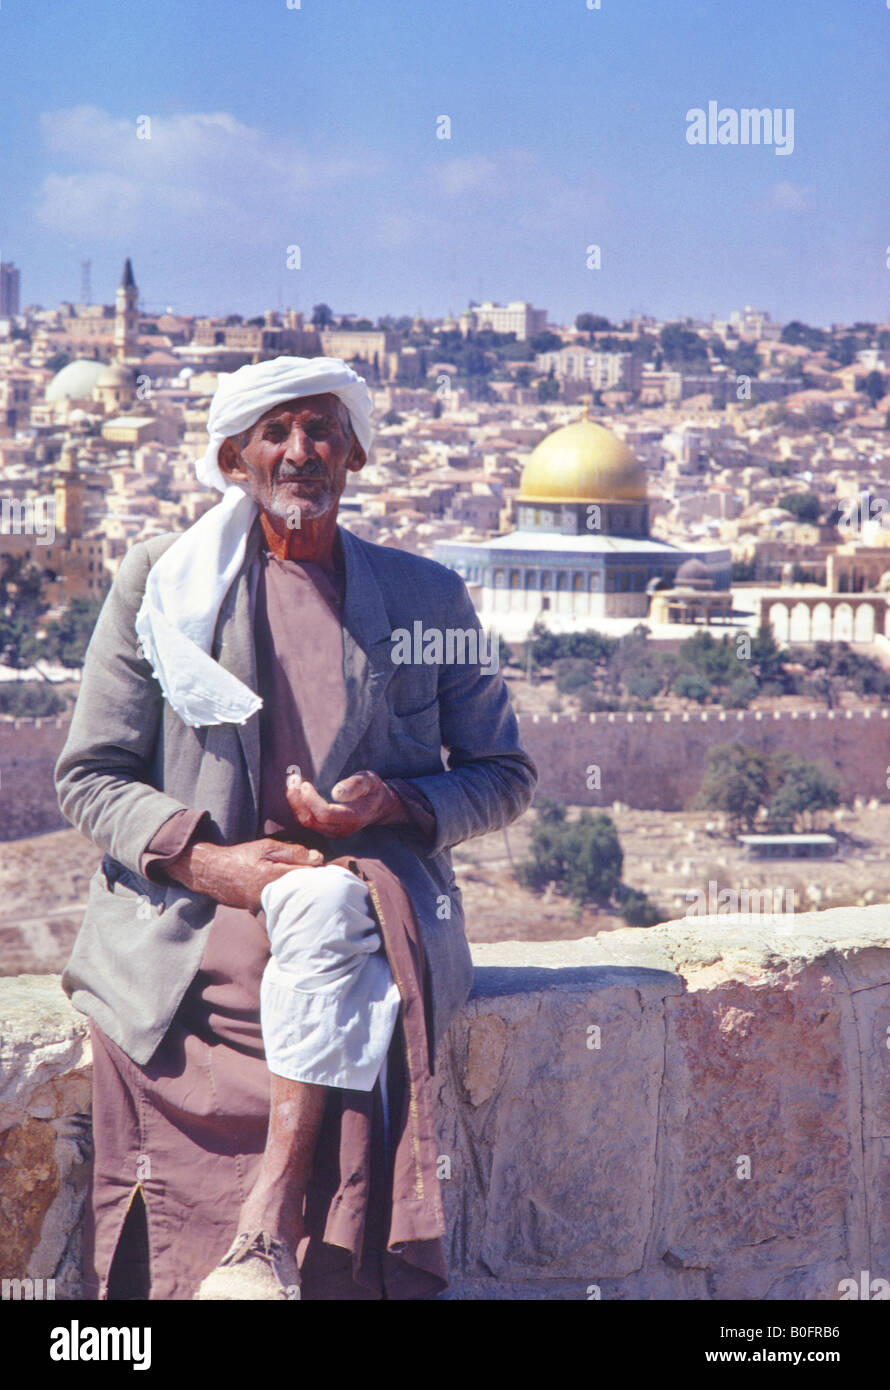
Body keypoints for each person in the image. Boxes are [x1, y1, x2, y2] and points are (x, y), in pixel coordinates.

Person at [55, 355, 537, 1300]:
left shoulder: (425, 597)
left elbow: (504, 774)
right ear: (234, 458)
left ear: (354, 453)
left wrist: (395, 804)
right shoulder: (163, 584)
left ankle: (264, 1226)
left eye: (321, 429)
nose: (300, 451)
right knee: (318, 935)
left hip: (368, 894)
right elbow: (89, 777)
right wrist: (210, 860)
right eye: (275, 432)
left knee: (324, 908)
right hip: (195, 910)